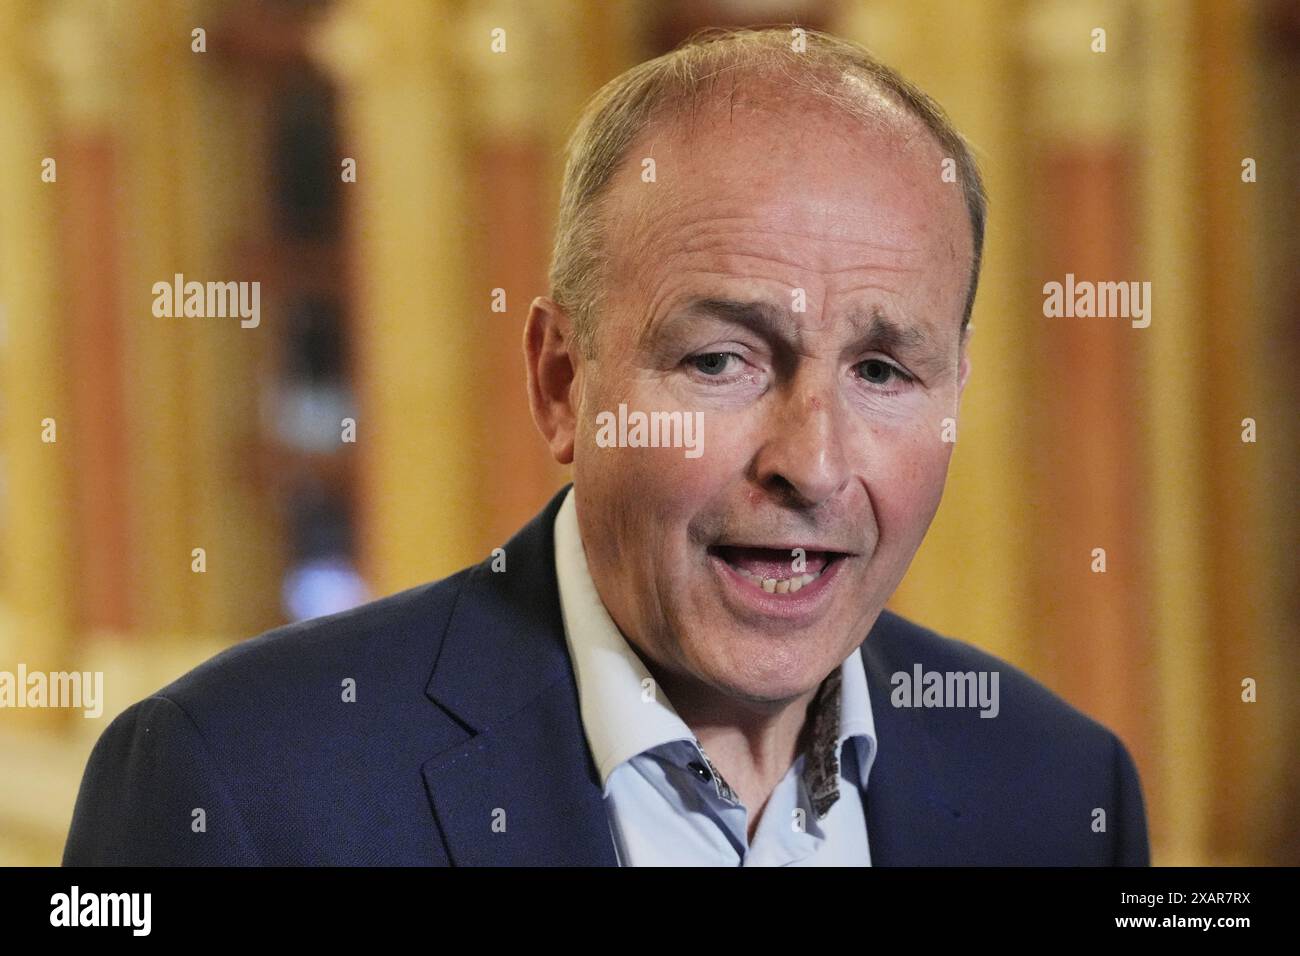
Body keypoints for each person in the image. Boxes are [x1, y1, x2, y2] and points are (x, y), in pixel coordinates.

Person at [63, 26, 1149, 866]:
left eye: (881, 372)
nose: (812, 464)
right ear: (560, 383)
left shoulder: (1057, 790)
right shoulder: (236, 781)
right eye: (722, 360)